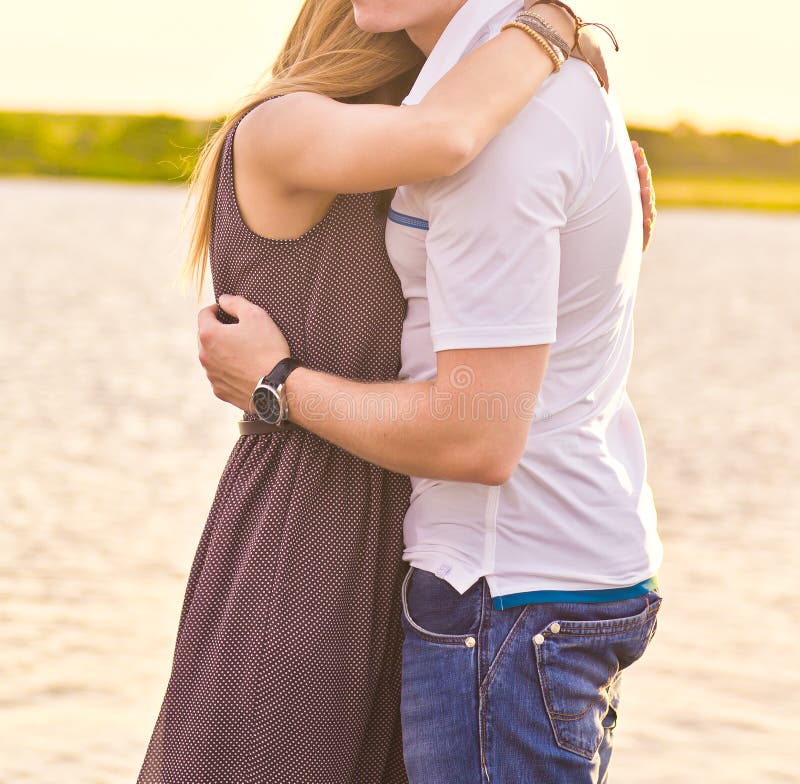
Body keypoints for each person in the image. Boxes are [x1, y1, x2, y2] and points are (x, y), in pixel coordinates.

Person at [138, 1, 656, 782]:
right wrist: (548, 27)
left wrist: (593, 237)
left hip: (408, 533)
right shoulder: (286, 127)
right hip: (307, 532)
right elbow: (448, 133)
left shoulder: (429, 147)